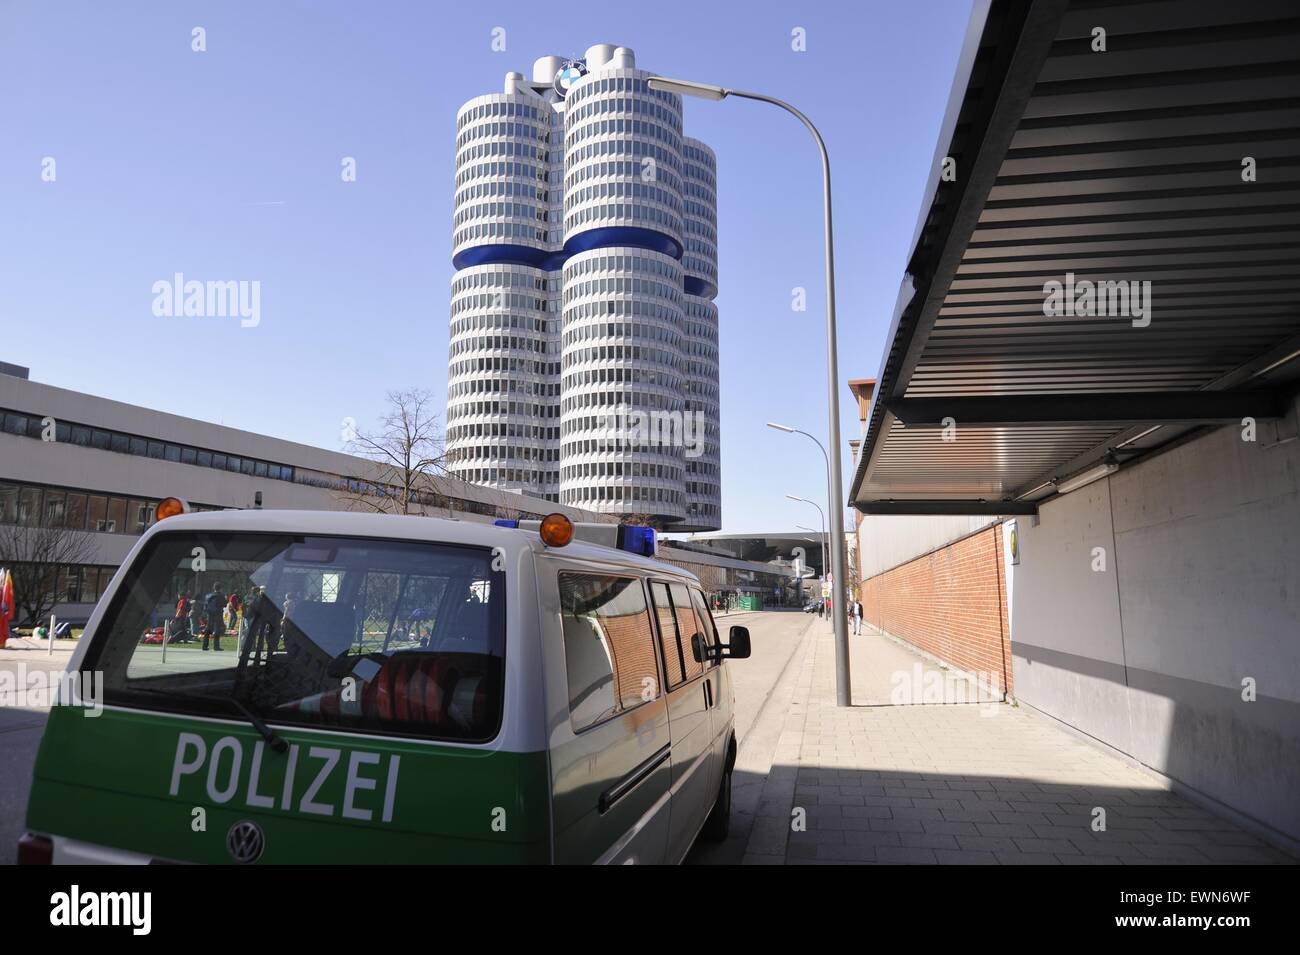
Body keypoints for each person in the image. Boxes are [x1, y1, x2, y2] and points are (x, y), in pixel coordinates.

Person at [201, 583, 227, 651]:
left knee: (208, 629)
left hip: (210, 614)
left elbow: (205, 605)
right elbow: (224, 604)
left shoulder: (208, 595)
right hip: (218, 613)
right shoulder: (221, 595)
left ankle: (205, 645)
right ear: (220, 588)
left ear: (214, 588)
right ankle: (216, 646)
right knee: (217, 629)